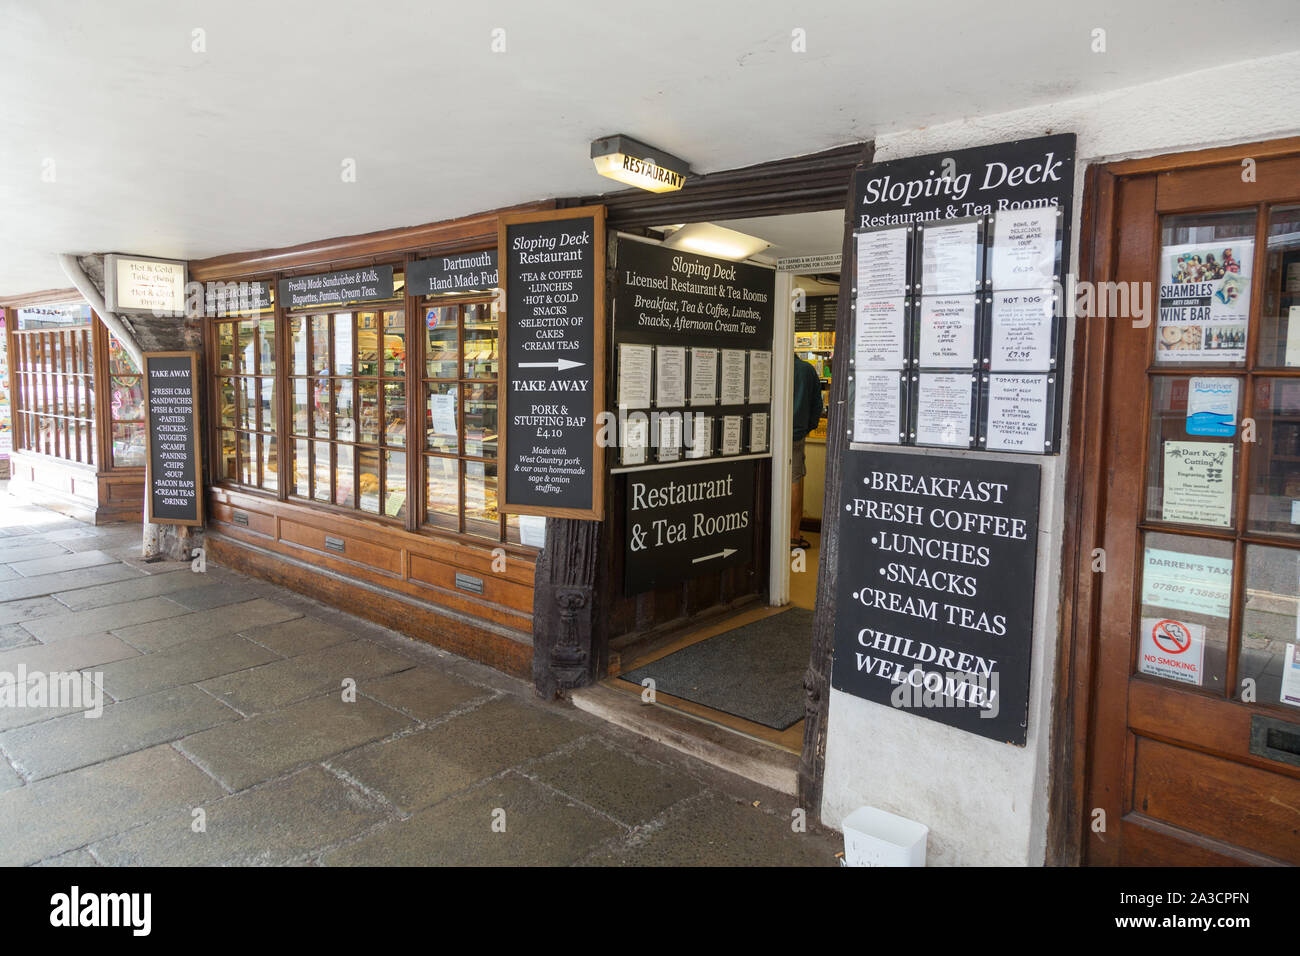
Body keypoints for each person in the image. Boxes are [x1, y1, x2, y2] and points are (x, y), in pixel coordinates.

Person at [791, 353, 824, 550]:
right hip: (797, 434)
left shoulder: (772, 365)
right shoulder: (807, 370)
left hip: (771, 435)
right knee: (795, 481)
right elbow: (817, 405)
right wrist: (807, 427)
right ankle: (793, 535)